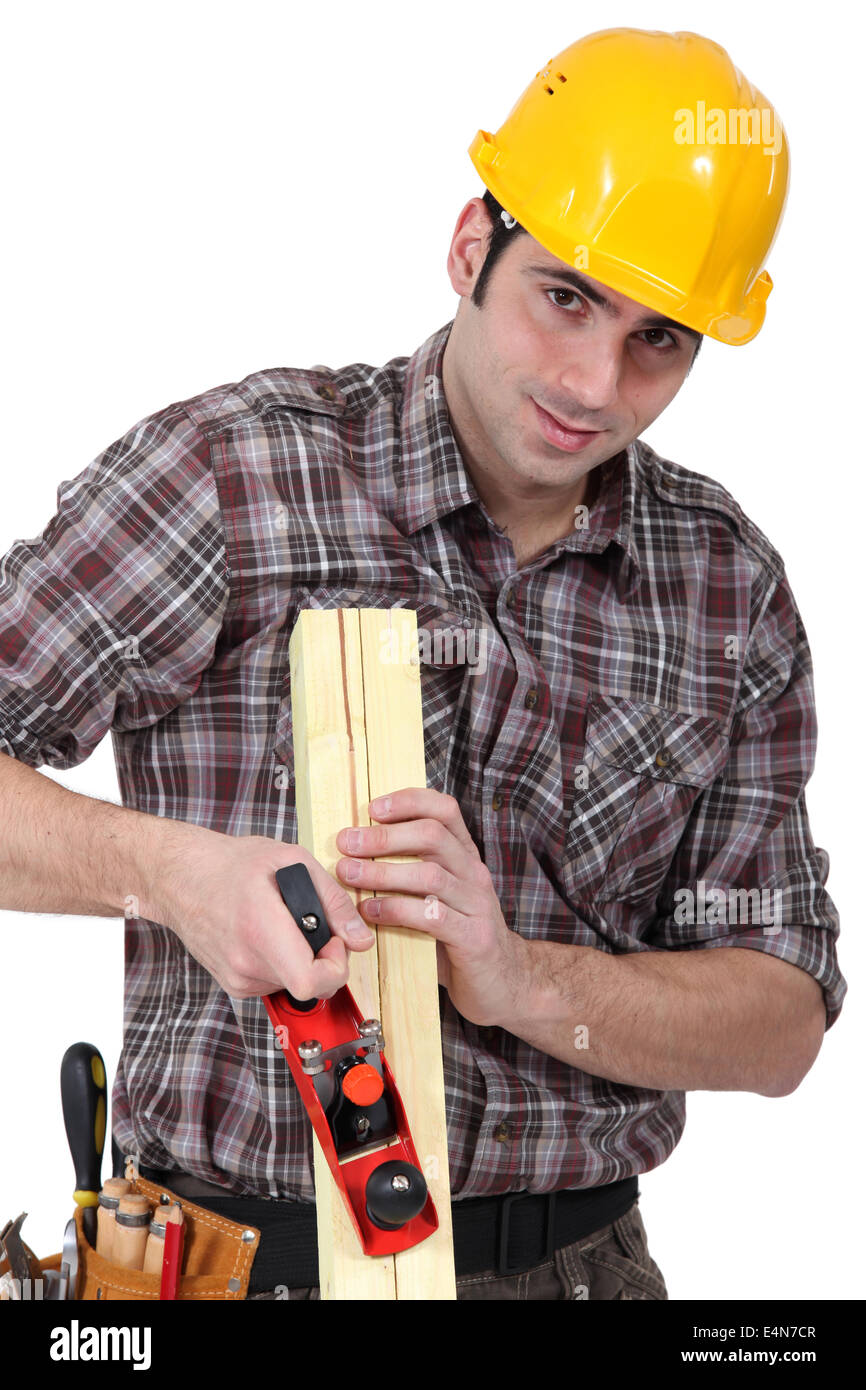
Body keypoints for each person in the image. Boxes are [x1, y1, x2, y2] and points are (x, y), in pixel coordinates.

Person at [0, 28, 845, 1301]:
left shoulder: (722, 587)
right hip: (238, 1273)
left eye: (658, 339)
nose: (592, 382)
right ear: (469, 245)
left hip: (579, 1273)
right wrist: (167, 872)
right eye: (563, 297)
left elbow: (779, 1020)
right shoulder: (232, 476)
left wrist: (519, 978)